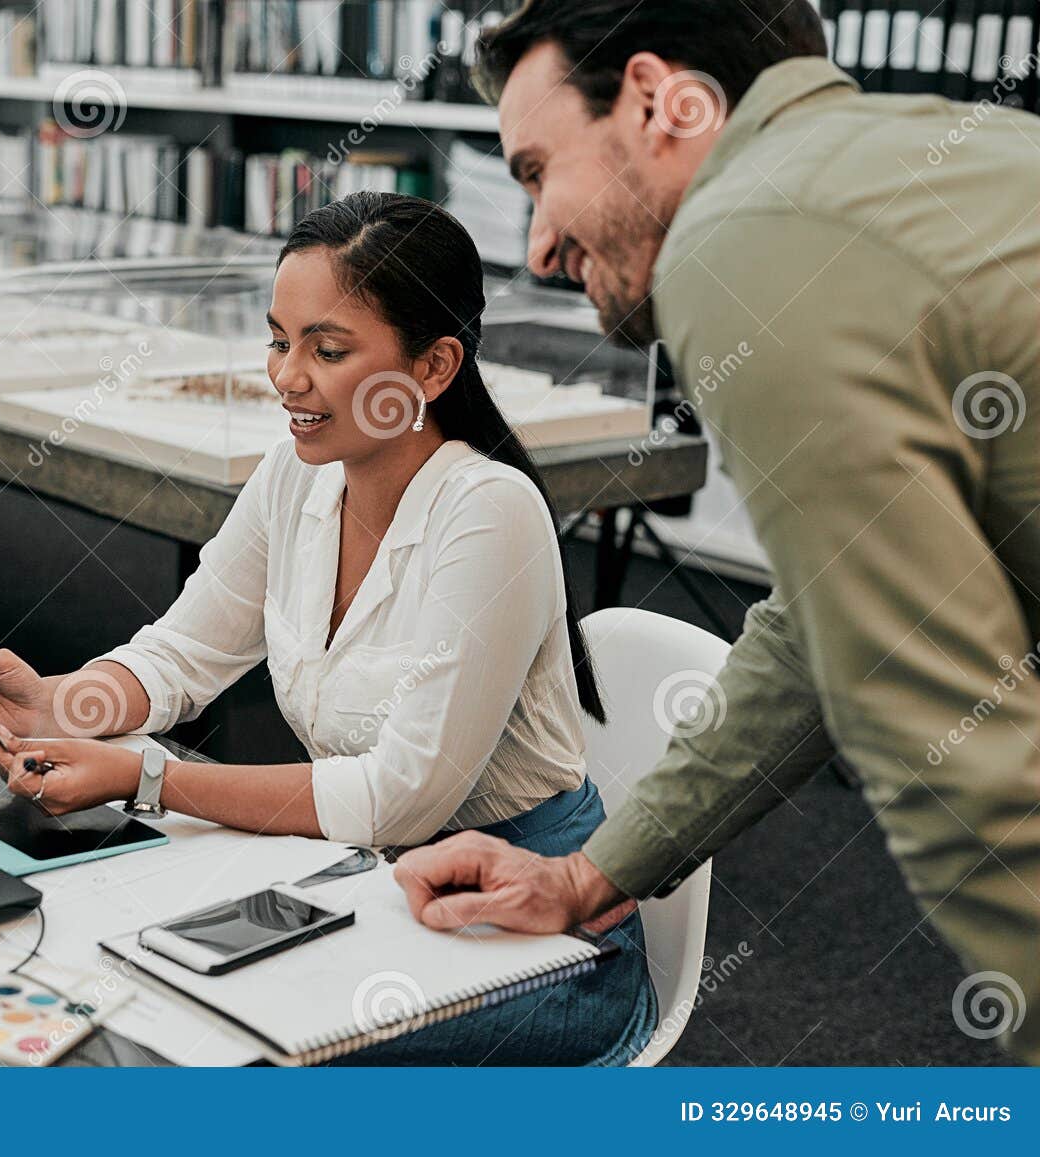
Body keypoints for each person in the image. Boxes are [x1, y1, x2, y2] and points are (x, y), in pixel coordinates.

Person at [394, 0, 1040, 1063]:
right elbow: (819, 632)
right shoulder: (938, 156)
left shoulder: (745, 239)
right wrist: (588, 875)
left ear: (655, 100)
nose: (539, 243)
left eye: (536, 173)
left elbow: (954, 749)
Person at [0, 191, 656, 1064]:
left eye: (327, 350)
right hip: (371, 884)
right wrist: (59, 703)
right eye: (279, 340)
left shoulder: (490, 512)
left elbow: (399, 795)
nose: (286, 377)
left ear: (433, 366)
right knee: (118, 990)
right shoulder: (296, 475)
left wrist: (150, 777)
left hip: (528, 933)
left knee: (218, 1056)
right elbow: (184, 651)